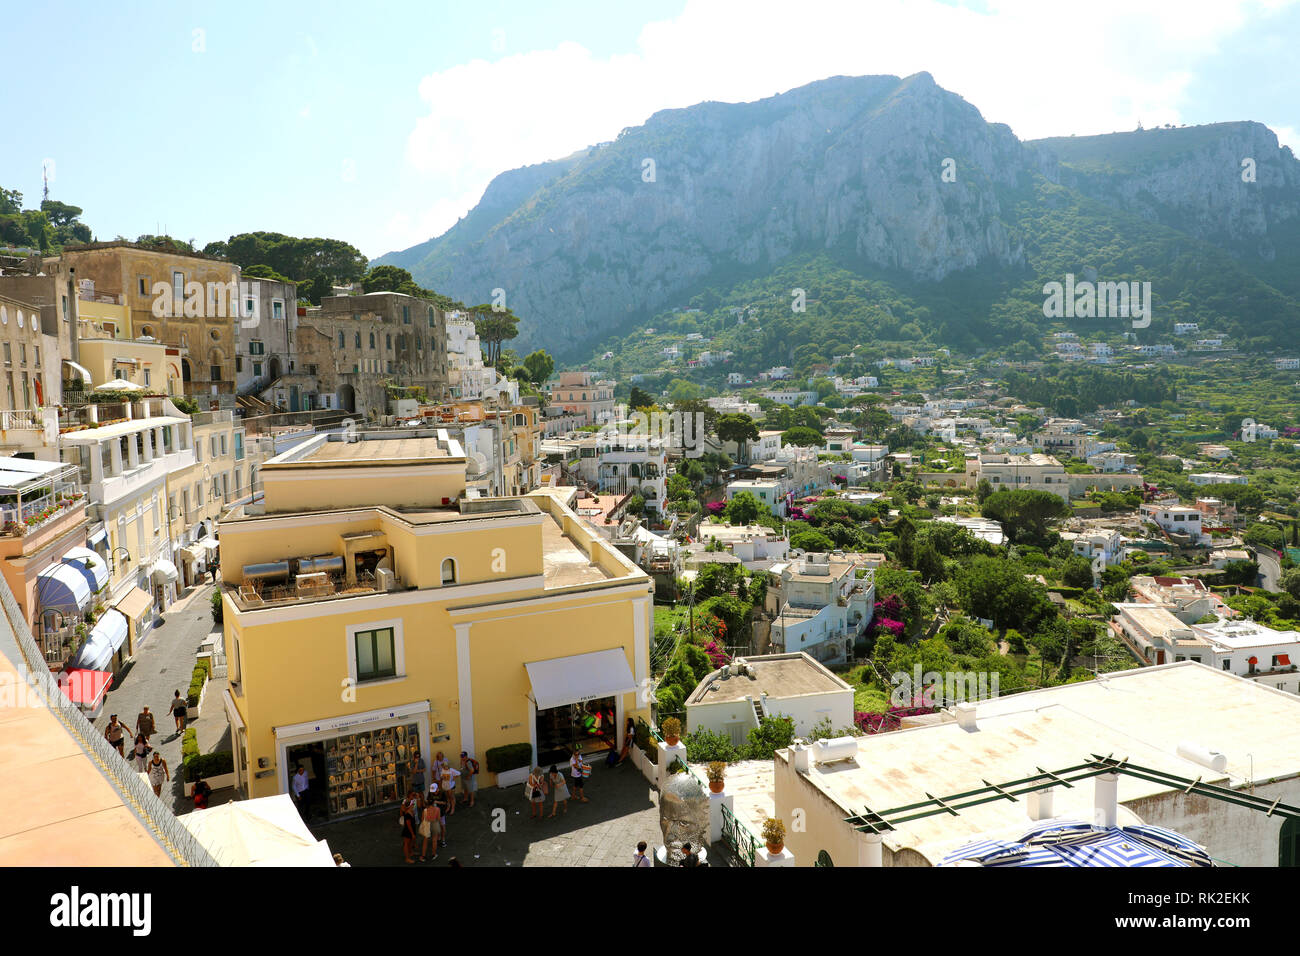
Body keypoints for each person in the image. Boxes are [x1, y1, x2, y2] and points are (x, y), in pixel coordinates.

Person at [420, 796, 443, 861]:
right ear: (433, 803)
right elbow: (438, 819)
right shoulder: (437, 809)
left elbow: (422, 819)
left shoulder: (425, 810)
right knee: (434, 840)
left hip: (427, 825)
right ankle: (433, 854)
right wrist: (441, 825)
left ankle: (423, 856)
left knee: (425, 841)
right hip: (435, 824)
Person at [400, 794, 419, 864]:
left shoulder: (411, 812)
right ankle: (407, 858)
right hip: (408, 830)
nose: (413, 805)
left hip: (410, 830)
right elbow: (408, 825)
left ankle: (410, 852)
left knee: (409, 843)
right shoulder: (408, 814)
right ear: (410, 806)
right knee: (406, 844)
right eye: (412, 804)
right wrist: (412, 833)